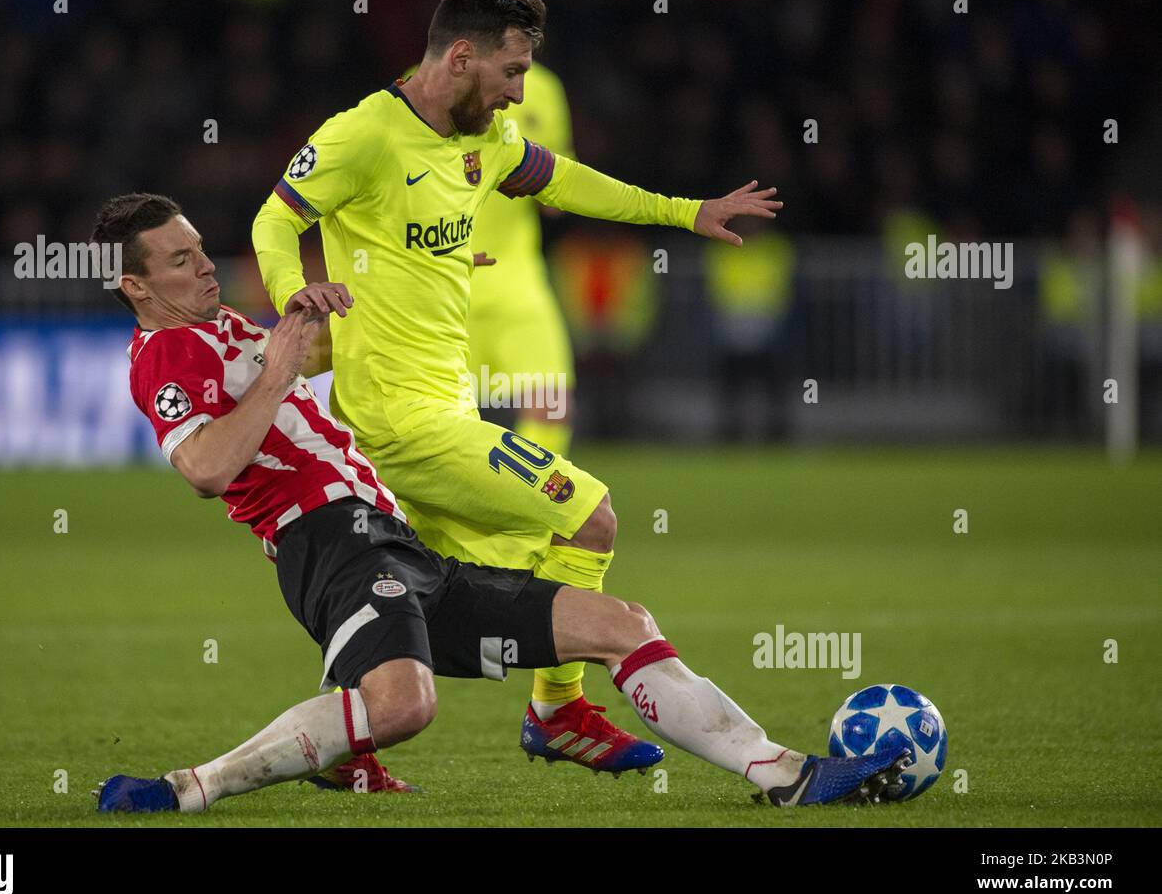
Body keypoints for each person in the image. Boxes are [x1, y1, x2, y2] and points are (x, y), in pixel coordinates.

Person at [90, 194, 906, 813]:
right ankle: (187, 790)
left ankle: (788, 775)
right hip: (330, 547)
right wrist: (277, 372)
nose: (203, 267)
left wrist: (420, 287)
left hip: (399, 548)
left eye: (199, 250)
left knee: (623, 623)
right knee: (406, 705)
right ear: (135, 285)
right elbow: (202, 466)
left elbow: (323, 362)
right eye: (178, 261)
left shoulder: (221, 326)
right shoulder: (163, 353)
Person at [251, 0, 783, 773]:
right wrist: (296, 292)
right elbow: (275, 217)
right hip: (406, 421)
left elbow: (569, 182)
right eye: (511, 74)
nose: (519, 93)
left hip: (438, 411)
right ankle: (558, 708)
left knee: (403, 588)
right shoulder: (363, 134)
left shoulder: (486, 142)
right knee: (590, 516)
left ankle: (343, 744)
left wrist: (686, 211)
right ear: (461, 58)